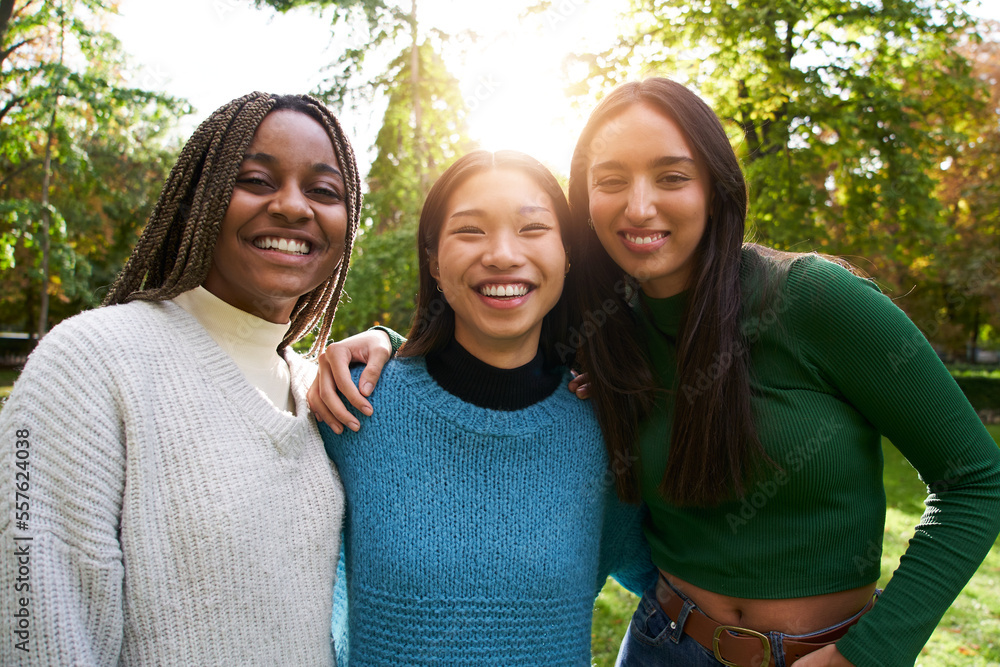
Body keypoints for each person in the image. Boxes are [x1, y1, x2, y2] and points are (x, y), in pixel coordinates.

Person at [314, 78, 1000, 667]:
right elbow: (490, 354)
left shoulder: (813, 299)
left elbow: (978, 478)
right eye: (611, 181)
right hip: (664, 643)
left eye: (671, 176)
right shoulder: (609, 336)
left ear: (714, 187)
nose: (639, 207)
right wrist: (385, 343)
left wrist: (870, 652)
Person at [0, 92, 362, 666]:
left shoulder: (322, 392)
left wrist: (391, 345)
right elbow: (36, 626)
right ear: (201, 199)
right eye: (256, 179)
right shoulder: (89, 362)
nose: (294, 207)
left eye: (324, 191)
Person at [320, 150, 655, 667]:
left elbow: (678, 568)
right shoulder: (356, 403)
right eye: (470, 231)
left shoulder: (605, 423)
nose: (502, 255)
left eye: (533, 228)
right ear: (432, 260)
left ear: (566, 254)